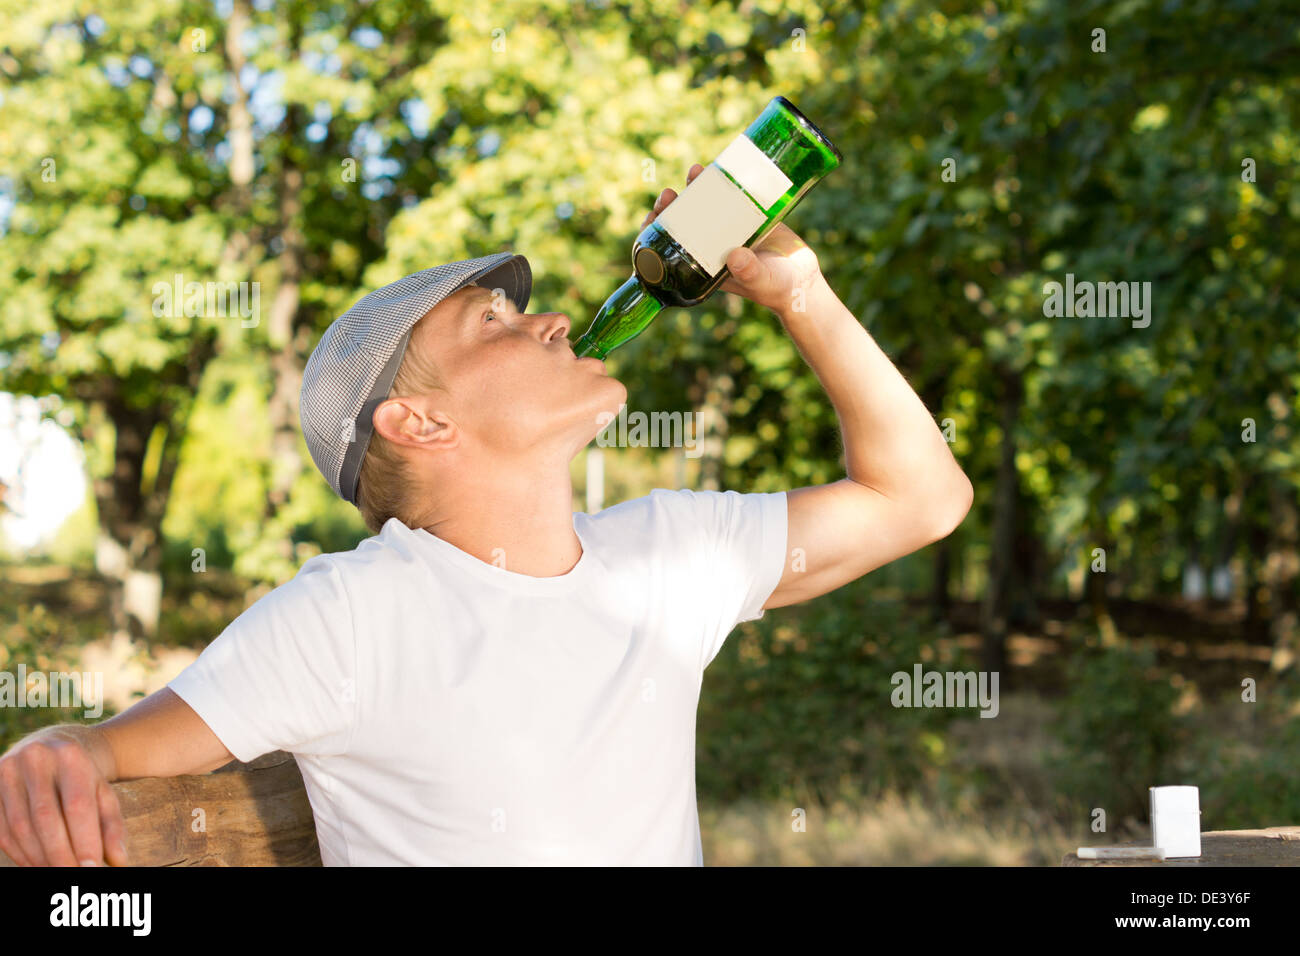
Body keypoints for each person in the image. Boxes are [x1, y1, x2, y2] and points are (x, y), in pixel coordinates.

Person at [0, 164, 972, 866]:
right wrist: (52, 748)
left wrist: (798, 291)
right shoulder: (354, 614)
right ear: (416, 420)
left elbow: (922, 497)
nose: (552, 319)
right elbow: (102, 748)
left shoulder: (669, 555)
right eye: (492, 322)